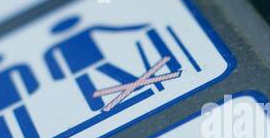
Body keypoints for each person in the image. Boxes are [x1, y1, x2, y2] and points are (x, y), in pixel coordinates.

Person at [42, 15, 180, 113]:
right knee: (91, 92)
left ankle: (132, 87)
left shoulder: (84, 32)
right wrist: (57, 75)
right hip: (82, 70)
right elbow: (49, 59)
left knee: (122, 83)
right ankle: (126, 91)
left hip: (94, 64)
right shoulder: (59, 45)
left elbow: (115, 29)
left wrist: (138, 27)